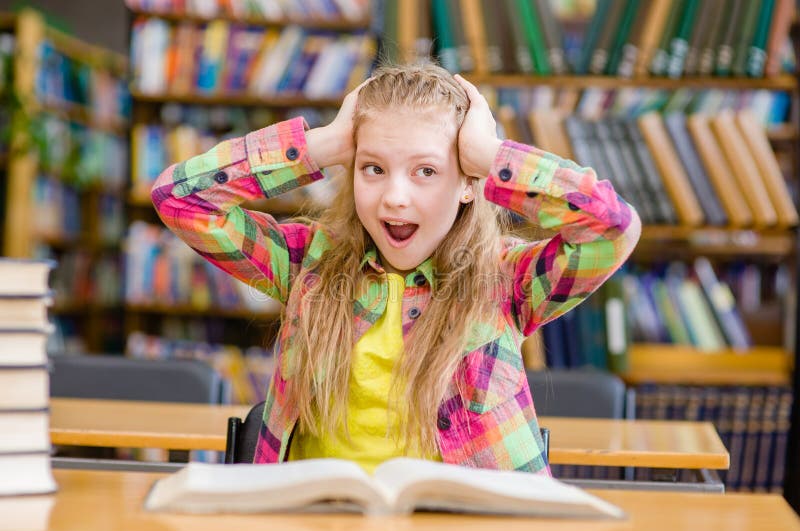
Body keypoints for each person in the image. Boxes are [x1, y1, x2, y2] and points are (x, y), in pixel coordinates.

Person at [152, 63, 640, 475]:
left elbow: (612, 228)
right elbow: (179, 198)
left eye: (426, 171)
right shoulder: (309, 261)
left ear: (469, 183)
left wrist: (490, 157)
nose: (395, 197)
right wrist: (322, 145)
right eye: (373, 168)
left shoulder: (505, 279)